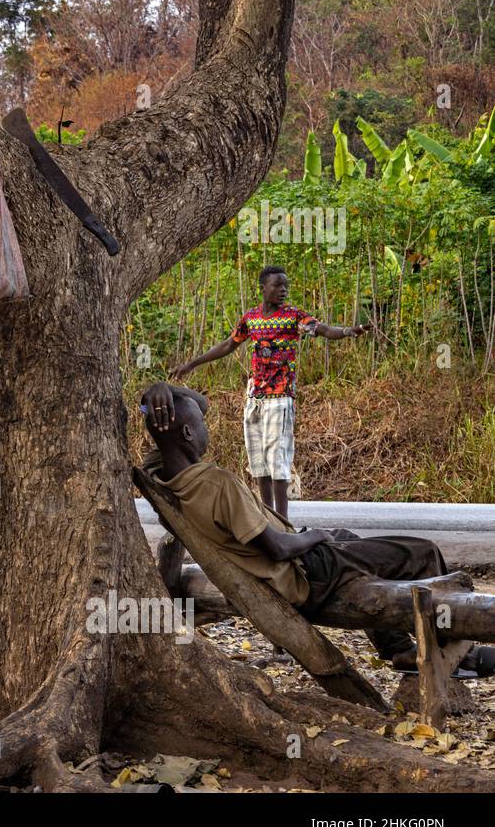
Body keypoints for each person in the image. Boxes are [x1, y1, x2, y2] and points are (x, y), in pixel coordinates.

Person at [138, 381, 495, 675]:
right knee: (421, 551)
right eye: (201, 425)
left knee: (351, 541)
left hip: (289, 568)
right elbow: (278, 548)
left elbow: (195, 408)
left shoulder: (162, 476)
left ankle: (399, 648)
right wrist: (316, 536)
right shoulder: (218, 484)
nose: (207, 428)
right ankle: (459, 657)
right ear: (187, 431)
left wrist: (161, 389)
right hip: (308, 572)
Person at [169, 265, 373, 518]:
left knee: (278, 460)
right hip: (255, 398)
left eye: (286, 285)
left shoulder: (293, 317)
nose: (283, 290)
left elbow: (323, 330)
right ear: (263, 288)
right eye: (277, 285)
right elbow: (228, 345)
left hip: (281, 396)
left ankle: (282, 520)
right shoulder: (251, 318)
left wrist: (346, 331)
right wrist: (192, 364)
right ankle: (267, 516)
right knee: (259, 462)